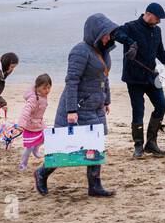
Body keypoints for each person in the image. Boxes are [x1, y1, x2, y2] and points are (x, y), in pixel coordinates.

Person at [36, 13, 118, 196]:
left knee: (96, 145)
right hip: (78, 107)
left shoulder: (103, 51)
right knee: (66, 147)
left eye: (110, 34)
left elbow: (104, 78)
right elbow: (71, 81)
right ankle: (41, 173)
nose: (108, 37)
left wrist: (107, 100)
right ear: (95, 32)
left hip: (95, 106)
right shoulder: (80, 51)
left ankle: (95, 186)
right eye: (105, 33)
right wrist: (71, 110)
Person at [113, 2, 165, 158]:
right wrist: (131, 44)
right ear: (148, 14)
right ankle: (138, 146)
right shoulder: (131, 27)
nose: (159, 22)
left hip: (152, 76)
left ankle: (151, 143)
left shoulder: (157, 31)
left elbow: (161, 52)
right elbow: (116, 34)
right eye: (157, 18)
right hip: (134, 78)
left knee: (162, 105)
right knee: (138, 112)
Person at [16, 73, 52, 171]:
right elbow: (26, 111)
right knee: (29, 147)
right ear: (37, 87)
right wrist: (21, 125)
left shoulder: (43, 96)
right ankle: (23, 164)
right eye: (45, 88)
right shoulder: (33, 98)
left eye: (49, 88)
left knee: (47, 136)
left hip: (39, 123)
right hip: (30, 125)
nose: (47, 90)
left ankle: (36, 150)